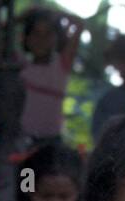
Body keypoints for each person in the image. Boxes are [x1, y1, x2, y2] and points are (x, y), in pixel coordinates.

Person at [18, 6, 83, 145]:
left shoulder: (61, 65)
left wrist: (54, 14)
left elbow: (79, 24)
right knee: (26, 169)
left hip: (52, 142)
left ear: (56, 38)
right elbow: (0, 32)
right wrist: (20, 18)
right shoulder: (19, 65)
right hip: (23, 141)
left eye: (47, 34)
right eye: (36, 33)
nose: (41, 39)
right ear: (26, 38)